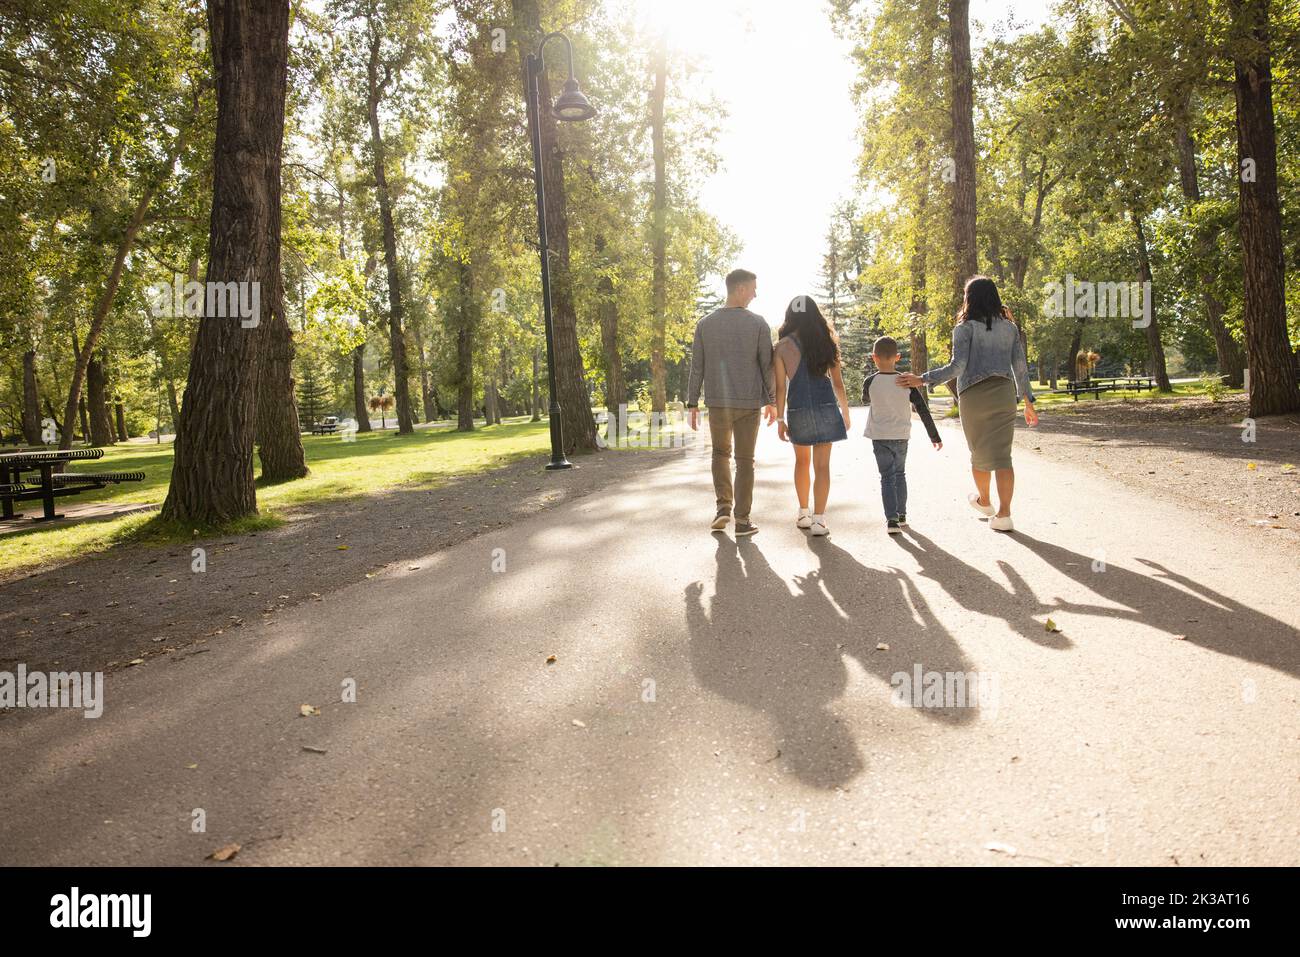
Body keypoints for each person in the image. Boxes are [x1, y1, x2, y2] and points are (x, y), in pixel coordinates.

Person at [896, 275, 1039, 532]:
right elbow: (1020, 367)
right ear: (994, 297)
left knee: (980, 454)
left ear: (969, 299)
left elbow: (958, 366)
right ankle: (1004, 514)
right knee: (1003, 456)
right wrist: (1028, 401)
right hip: (1005, 394)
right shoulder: (1010, 328)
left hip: (974, 397)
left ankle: (985, 502)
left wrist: (922, 379)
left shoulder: (964, 329)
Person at [687, 269, 777, 537]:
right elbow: (767, 367)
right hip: (748, 404)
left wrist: (692, 403)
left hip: (717, 404)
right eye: (752, 289)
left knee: (720, 455)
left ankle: (723, 508)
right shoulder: (759, 323)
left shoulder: (705, 324)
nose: (755, 294)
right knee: (745, 460)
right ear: (739, 289)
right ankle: (743, 521)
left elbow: (697, 367)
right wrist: (772, 402)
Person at [772, 295, 850, 536]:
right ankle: (819, 520)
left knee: (802, 462)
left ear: (790, 316)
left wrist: (780, 419)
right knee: (822, 466)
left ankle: (804, 513)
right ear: (815, 314)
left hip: (798, 410)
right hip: (826, 407)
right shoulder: (827, 342)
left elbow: (781, 387)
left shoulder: (782, 347)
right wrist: (845, 412)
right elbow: (838, 383)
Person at [861, 335, 942, 534]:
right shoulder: (907, 381)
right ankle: (902, 514)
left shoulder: (870, 381)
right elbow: (922, 409)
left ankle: (891, 521)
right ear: (897, 357)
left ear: (874, 357)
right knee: (900, 474)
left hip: (880, 436)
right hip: (901, 435)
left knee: (886, 477)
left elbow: (865, 400)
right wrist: (934, 436)